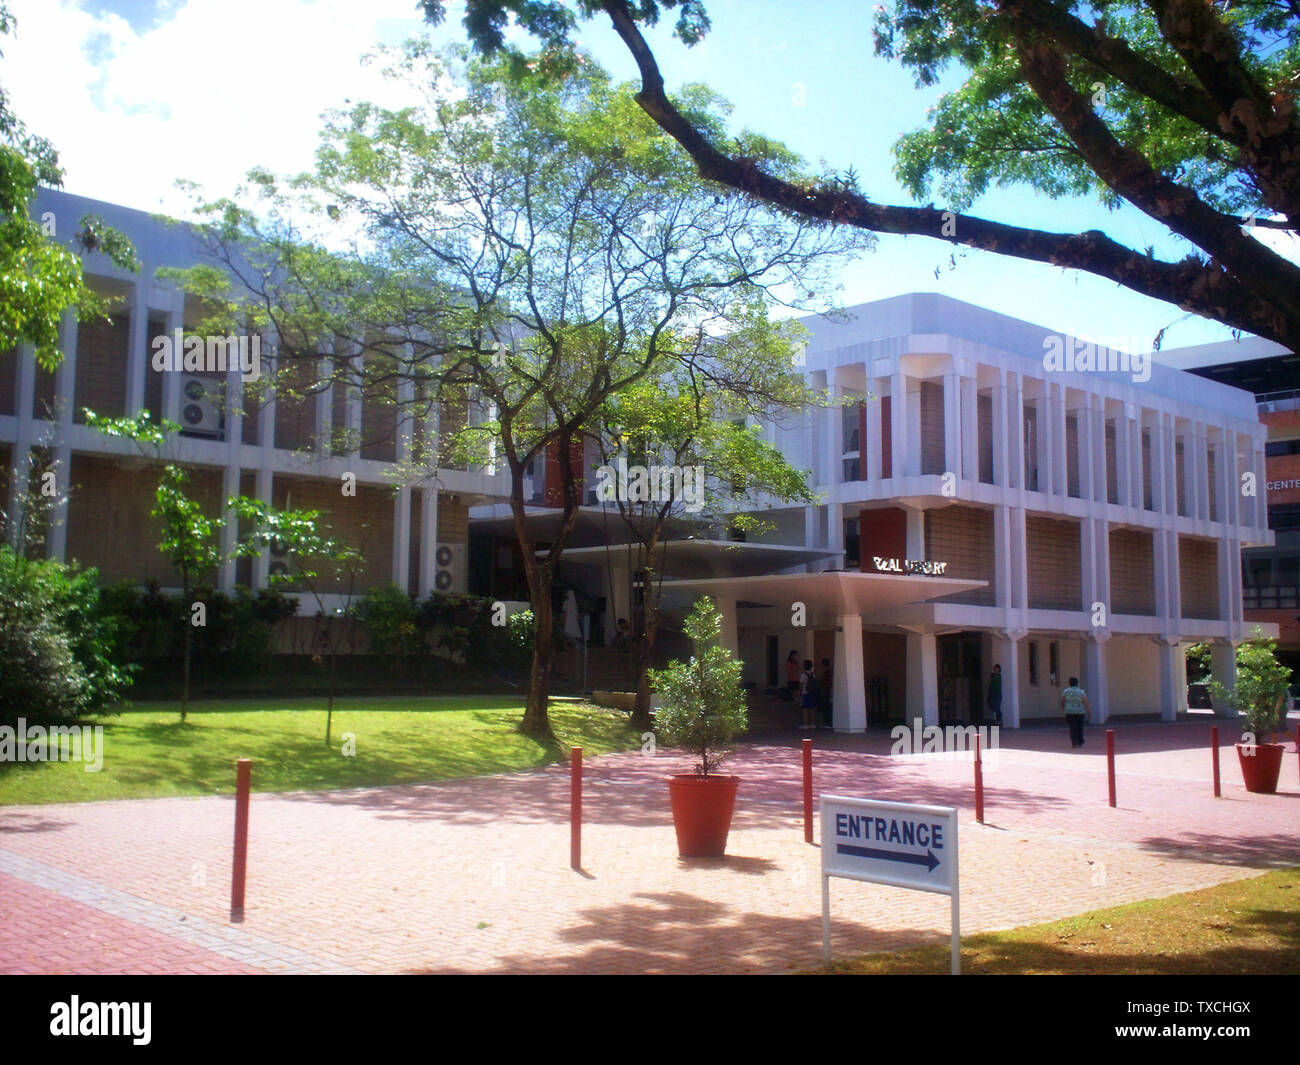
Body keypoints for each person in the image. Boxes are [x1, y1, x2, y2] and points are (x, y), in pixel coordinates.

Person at [1061, 676, 1091, 748]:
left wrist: (1063, 708)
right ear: (1077, 683)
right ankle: (1080, 741)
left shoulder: (1066, 691)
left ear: (1069, 683)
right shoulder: (1081, 692)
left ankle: (1073, 742)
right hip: (1080, 712)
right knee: (1080, 727)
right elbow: (1085, 702)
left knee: (1072, 727)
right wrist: (1089, 712)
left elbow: (1063, 701)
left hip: (1069, 712)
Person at [799, 659, 820, 730]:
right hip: (812, 693)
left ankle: (805, 724)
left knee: (805, 708)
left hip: (805, 693)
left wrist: (799, 692)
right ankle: (813, 723)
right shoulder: (813, 674)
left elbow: (801, 685)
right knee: (812, 709)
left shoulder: (803, 674)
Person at [819, 657, 834, 728]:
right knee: (828, 706)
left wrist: (822, 691)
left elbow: (826, 684)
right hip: (828, 691)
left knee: (827, 707)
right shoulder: (830, 672)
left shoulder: (827, 673)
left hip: (827, 691)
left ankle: (828, 723)